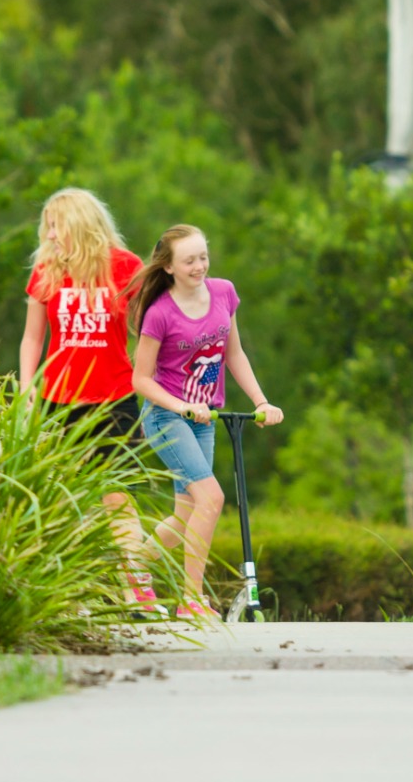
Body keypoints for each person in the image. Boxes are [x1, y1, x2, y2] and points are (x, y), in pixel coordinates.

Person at [127, 224, 284, 622]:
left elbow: (234, 354)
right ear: (168, 268)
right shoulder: (160, 314)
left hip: (205, 417)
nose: (200, 266)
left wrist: (261, 401)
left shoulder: (224, 292)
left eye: (203, 256)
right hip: (166, 416)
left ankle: (132, 567)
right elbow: (140, 379)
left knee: (185, 514)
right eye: (189, 260)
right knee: (211, 499)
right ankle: (190, 599)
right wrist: (180, 406)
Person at [17, 187, 158, 611]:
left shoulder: (125, 267)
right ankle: (68, 596)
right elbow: (31, 339)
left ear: (80, 221)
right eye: (48, 226)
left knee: (117, 496)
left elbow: (150, 328)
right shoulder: (46, 271)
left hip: (115, 398)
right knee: (63, 498)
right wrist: (26, 392)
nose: (51, 234)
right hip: (59, 401)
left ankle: (137, 590)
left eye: (56, 224)